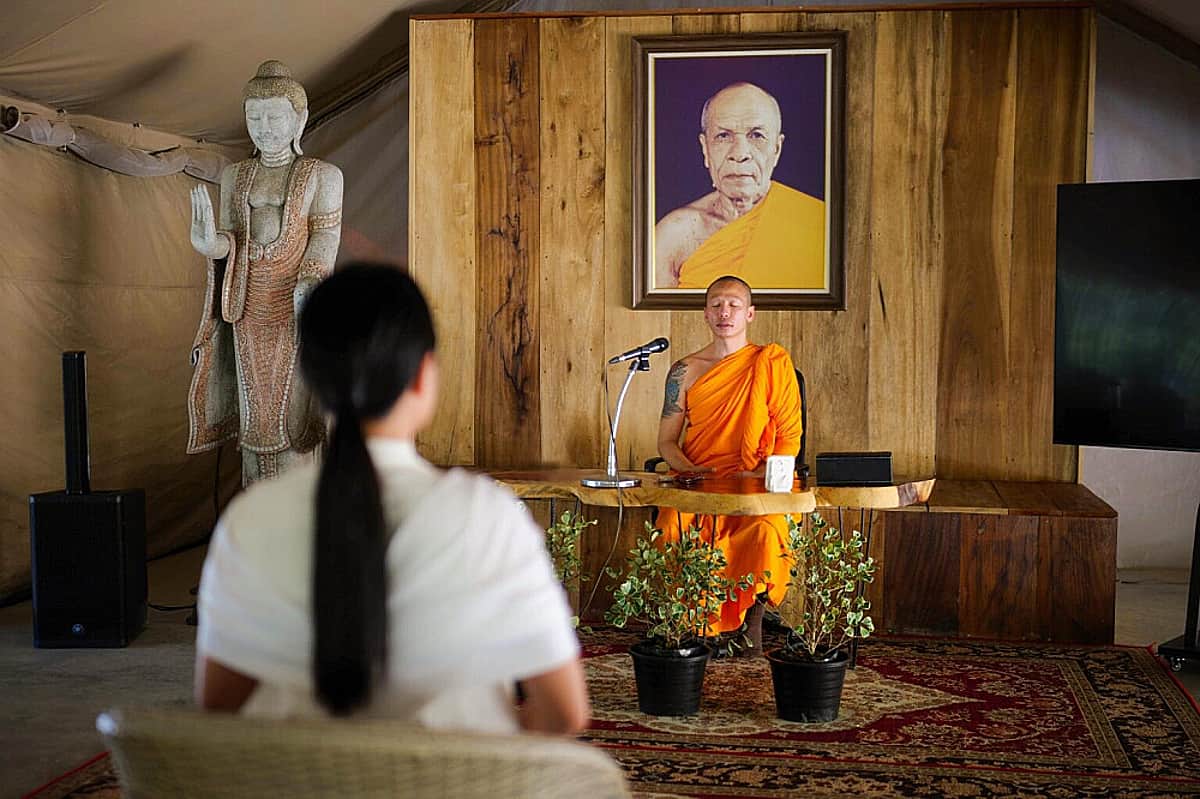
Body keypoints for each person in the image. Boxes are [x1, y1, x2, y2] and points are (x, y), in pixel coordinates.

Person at [194, 262, 590, 734]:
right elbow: (564, 713)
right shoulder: (488, 517)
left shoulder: (251, 518)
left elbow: (218, 708)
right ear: (424, 376)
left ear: (311, 379)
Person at [187, 60, 344, 485]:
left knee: (294, 416)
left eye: (275, 117)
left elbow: (327, 235)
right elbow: (231, 239)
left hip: (297, 306)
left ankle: (300, 519)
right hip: (247, 307)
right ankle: (258, 513)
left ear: (300, 120)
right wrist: (211, 245)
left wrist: (311, 282)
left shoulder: (323, 177)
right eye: (254, 118)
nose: (265, 128)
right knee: (253, 413)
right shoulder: (234, 176)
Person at [655, 275, 802, 654]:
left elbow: (788, 438)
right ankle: (689, 627)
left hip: (756, 482)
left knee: (766, 530)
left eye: (734, 305)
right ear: (705, 314)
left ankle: (748, 627)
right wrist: (690, 472)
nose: (725, 312)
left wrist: (761, 476)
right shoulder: (683, 370)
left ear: (750, 313)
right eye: (717, 305)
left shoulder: (771, 364)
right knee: (673, 524)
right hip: (698, 483)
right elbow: (666, 442)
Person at [654, 82, 825, 291]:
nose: (740, 153)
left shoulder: (818, 224)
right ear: (705, 149)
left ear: (777, 149)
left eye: (757, 136)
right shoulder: (673, 235)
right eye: (723, 136)